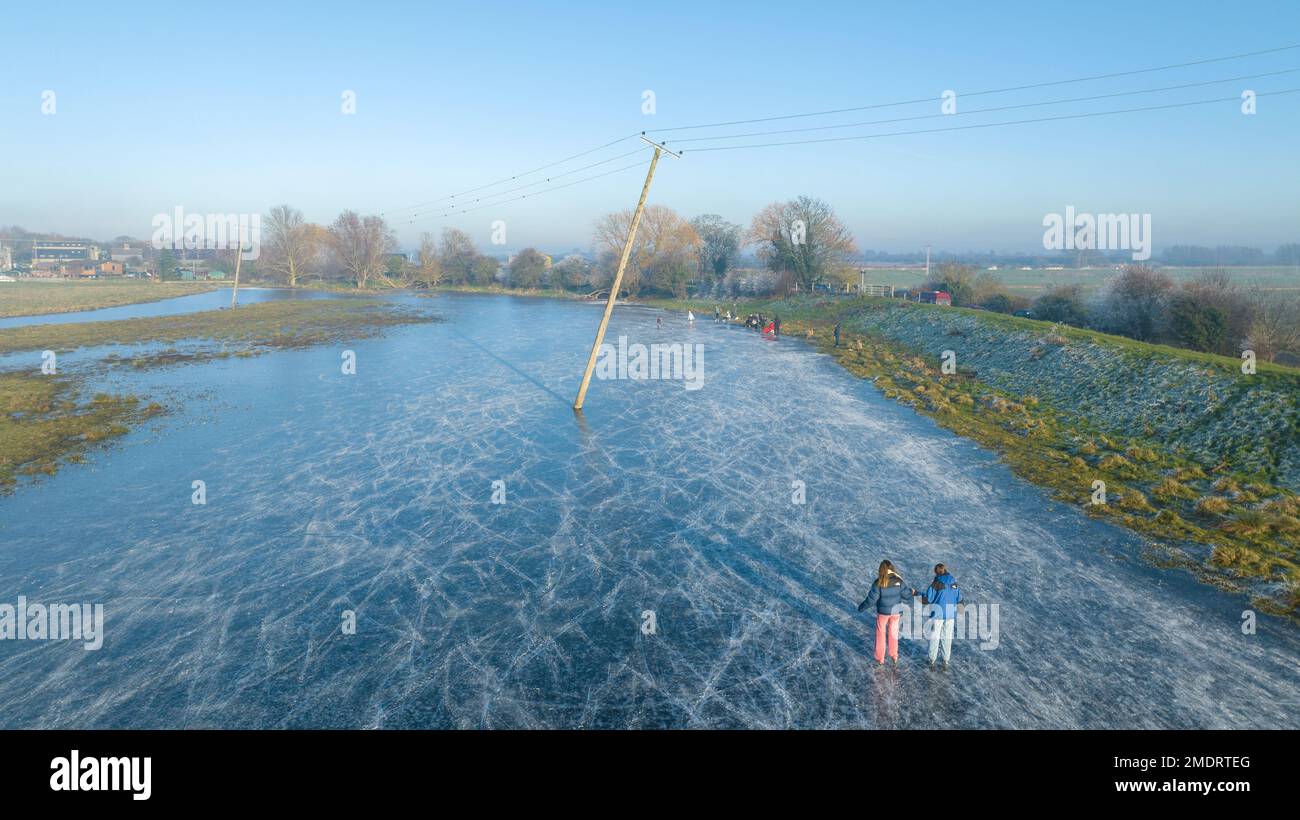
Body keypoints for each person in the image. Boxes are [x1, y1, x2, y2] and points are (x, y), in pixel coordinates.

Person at [857, 560, 917, 665]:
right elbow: (907, 595)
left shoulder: (879, 582)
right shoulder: (898, 581)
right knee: (893, 634)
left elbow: (871, 600)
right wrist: (912, 596)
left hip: (883, 613)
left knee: (880, 635)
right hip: (896, 613)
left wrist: (861, 607)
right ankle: (894, 656)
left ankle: (880, 658)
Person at [921, 564, 962, 668]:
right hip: (950, 615)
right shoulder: (954, 583)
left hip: (938, 615)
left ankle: (932, 660)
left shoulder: (936, 583)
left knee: (935, 638)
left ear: (936, 572)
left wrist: (916, 594)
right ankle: (946, 660)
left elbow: (927, 600)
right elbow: (960, 599)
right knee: (947, 638)